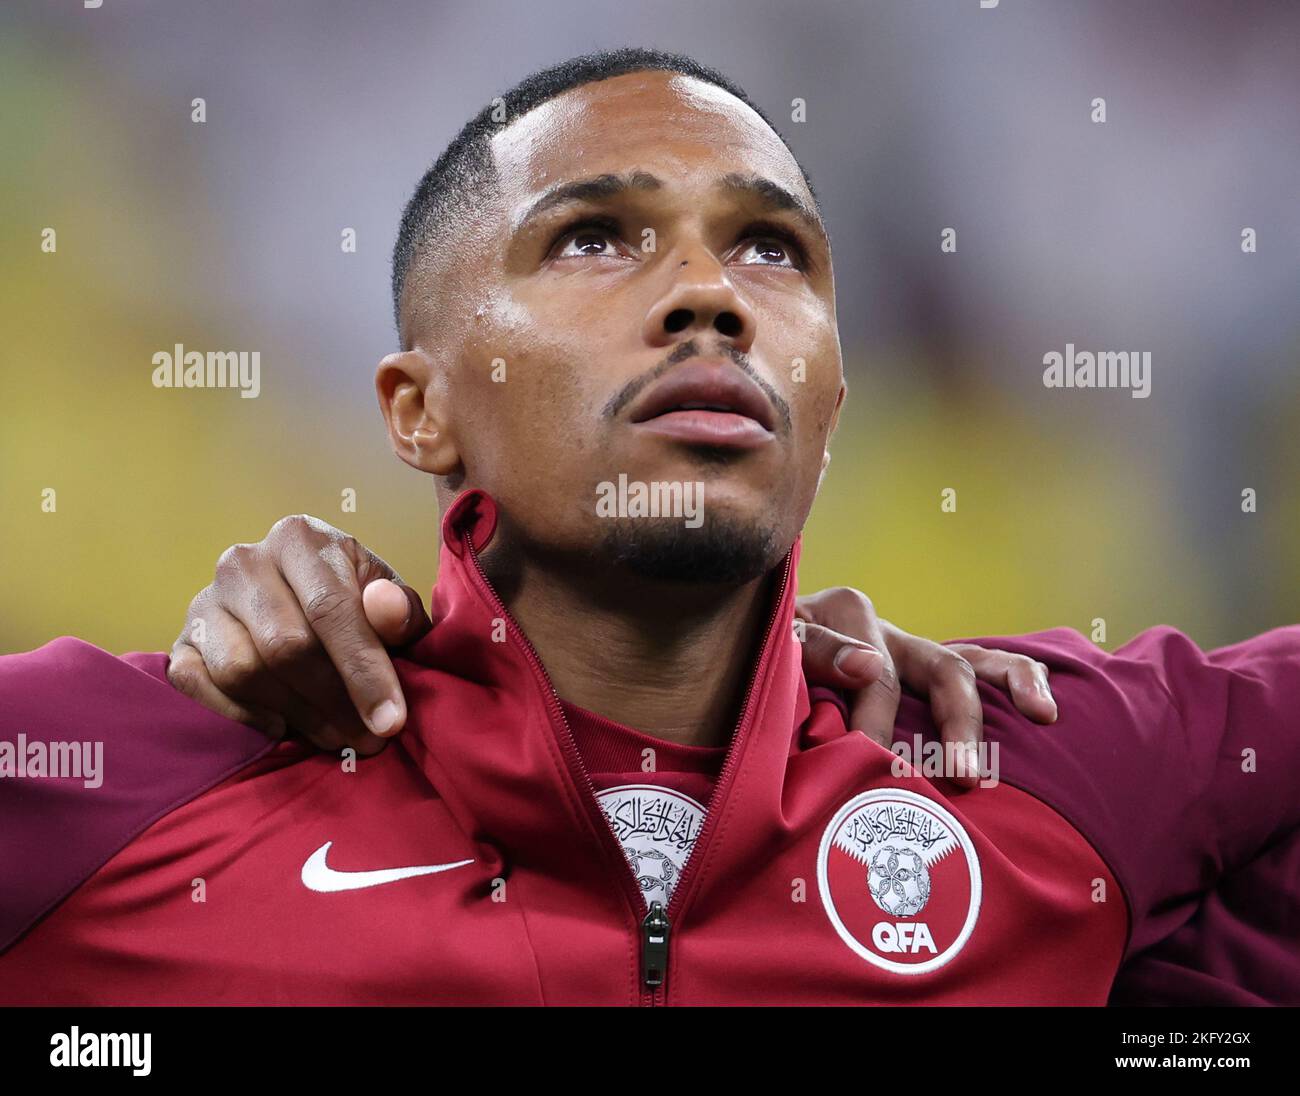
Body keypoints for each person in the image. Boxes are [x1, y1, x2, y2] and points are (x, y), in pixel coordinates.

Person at [1, 49, 1295, 1006]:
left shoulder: (1042, 775)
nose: (710, 297)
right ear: (420, 409)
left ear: (832, 395)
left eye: (774, 253)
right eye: (596, 238)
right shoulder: (142, 787)